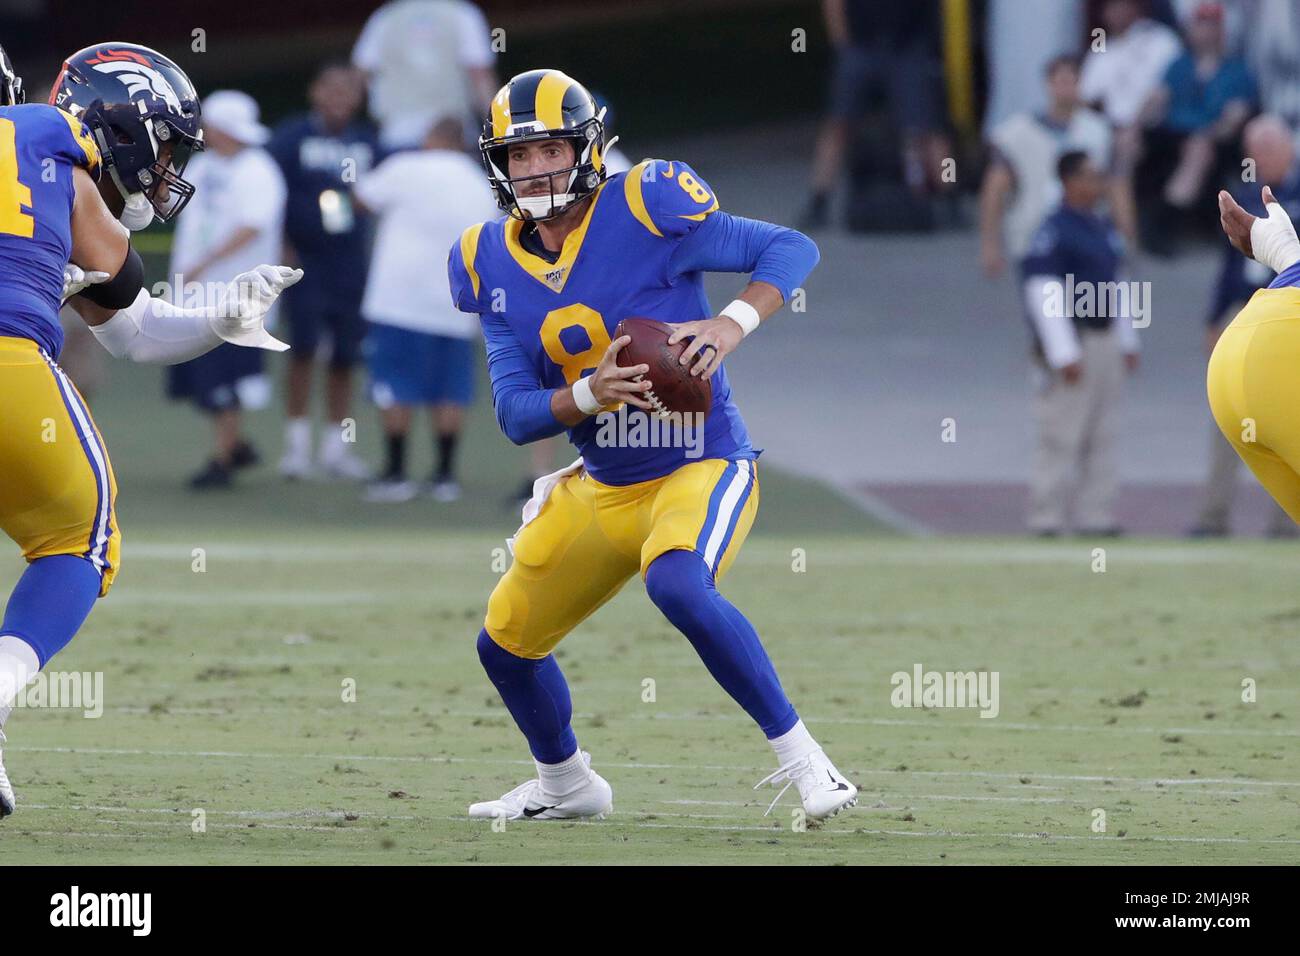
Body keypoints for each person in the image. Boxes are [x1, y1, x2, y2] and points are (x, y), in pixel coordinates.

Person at [449, 69, 855, 822]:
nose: (535, 168)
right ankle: (568, 787)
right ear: (497, 166)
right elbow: (514, 413)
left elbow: (789, 248)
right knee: (503, 645)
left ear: (589, 147)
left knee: (676, 584)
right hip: (601, 484)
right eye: (518, 155)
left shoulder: (646, 200)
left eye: (551, 149)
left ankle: (810, 766)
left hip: (697, 463)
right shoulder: (485, 259)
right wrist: (589, 395)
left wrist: (731, 324)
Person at [0, 43, 299, 818]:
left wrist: (220, 318)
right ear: (123, 123)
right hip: (8, 370)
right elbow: (135, 333)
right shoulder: (56, 163)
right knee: (77, 539)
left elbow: (129, 330)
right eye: (163, 143)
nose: (166, 167)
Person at [353, 116, 497, 502]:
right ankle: (444, 475)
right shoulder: (479, 182)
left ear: (430, 137)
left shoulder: (406, 168)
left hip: (399, 300)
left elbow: (361, 198)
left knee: (395, 386)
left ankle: (396, 472)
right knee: (450, 389)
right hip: (456, 302)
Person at [166, 91, 287, 489]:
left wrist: (205, 262)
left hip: (235, 295)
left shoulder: (259, 170)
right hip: (196, 293)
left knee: (223, 380)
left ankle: (222, 458)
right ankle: (237, 445)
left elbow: (252, 225)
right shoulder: (203, 166)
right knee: (199, 378)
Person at [1021, 151, 1141, 536]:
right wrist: (1063, 352)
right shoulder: (1054, 230)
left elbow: (1118, 281)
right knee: (1061, 431)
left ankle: (1096, 515)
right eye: (1090, 176)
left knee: (1104, 431)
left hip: (1105, 338)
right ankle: (1046, 516)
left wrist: (1128, 337)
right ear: (1069, 181)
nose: (1098, 184)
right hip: (1076, 337)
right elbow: (1043, 291)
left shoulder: (1103, 227)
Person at [269, 64, 377, 481]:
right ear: (315, 90)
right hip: (305, 260)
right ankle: (296, 447)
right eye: (331, 88)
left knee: (346, 354)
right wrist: (282, 245)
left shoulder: (367, 139)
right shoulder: (293, 136)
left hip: (350, 260)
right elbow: (270, 188)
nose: (339, 97)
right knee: (304, 347)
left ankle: (336, 448)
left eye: (347, 90)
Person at [1191, 116, 1298, 537]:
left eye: (1268, 148)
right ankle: (1214, 516)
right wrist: (1214, 317)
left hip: (1264, 324)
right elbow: (1229, 266)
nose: (1259, 158)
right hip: (1269, 314)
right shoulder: (1249, 195)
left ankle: (1283, 525)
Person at [980, 54, 1115, 279]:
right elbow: (995, 189)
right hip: (1034, 237)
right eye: (1060, 81)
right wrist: (990, 244)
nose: (1066, 89)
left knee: (1088, 309)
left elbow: (1113, 186)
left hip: (1087, 237)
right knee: (1046, 309)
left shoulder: (1098, 132)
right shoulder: (1017, 133)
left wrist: (1124, 236)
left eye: (1072, 81)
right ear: (1048, 84)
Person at [1137, 1, 1256, 253]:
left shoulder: (1237, 71)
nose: (1204, 31)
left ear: (1221, 30)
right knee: (1129, 141)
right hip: (1170, 135)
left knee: (1198, 148)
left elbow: (1235, 118)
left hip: (1213, 140)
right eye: (1200, 24)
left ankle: (1164, 222)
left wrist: (1210, 134)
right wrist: (1137, 124)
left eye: (1211, 24)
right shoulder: (1179, 65)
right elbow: (1156, 99)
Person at [351, 0, 496, 152]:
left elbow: (360, 76)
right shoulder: (463, 14)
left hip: (400, 132)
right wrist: (497, 128)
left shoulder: (385, 17)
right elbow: (480, 77)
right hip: (450, 134)